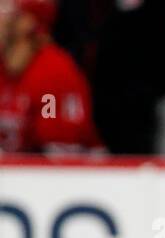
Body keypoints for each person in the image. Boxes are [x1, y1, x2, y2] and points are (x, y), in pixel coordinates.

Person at [0, 0, 98, 153]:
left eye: (7, 12)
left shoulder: (53, 71)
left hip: (69, 171)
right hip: (18, 170)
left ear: (26, 23)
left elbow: (58, 152)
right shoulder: (5, 67)